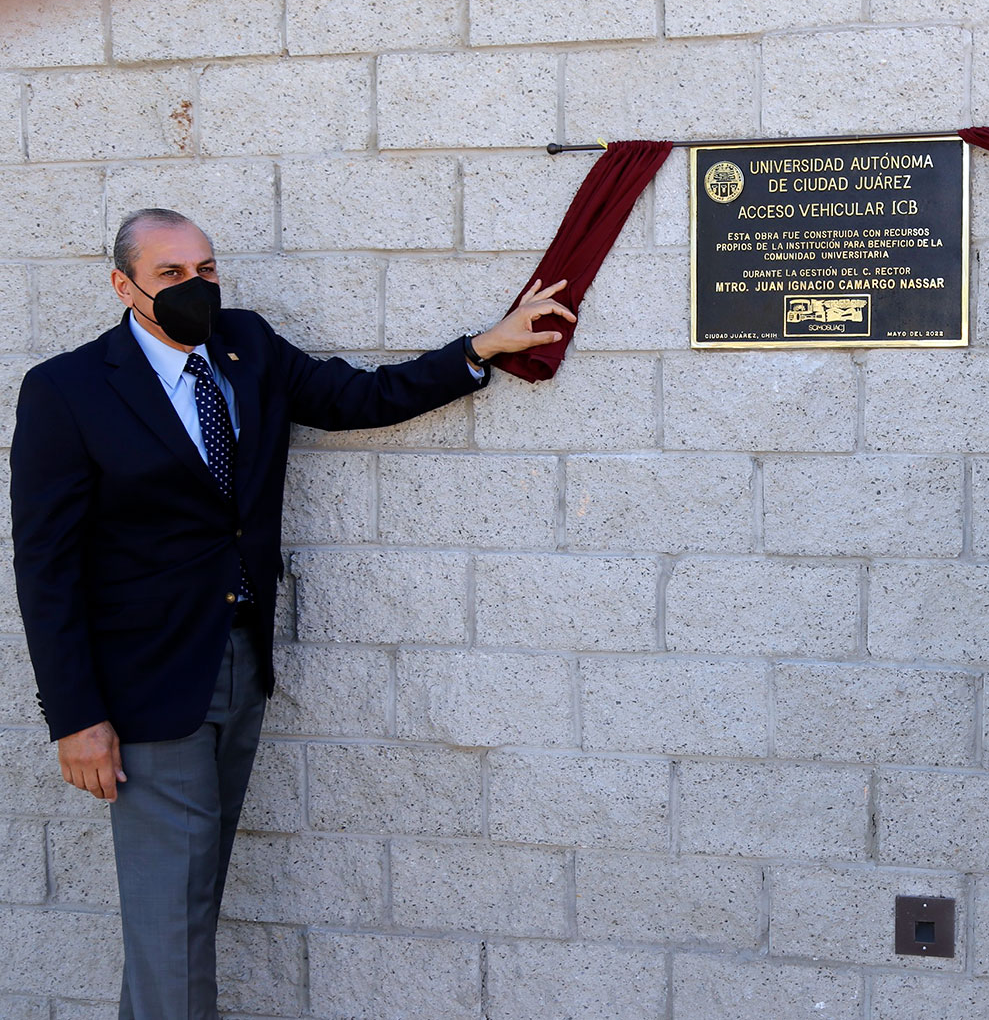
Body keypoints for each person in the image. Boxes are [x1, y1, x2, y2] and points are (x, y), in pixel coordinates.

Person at [10, 208, 571, 1020]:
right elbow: (45, 565)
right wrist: (75, 717)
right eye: (171, 275)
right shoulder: (66, 389)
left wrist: (481, 348)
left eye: (205, 269)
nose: (195, 286)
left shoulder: (249, 345)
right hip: (142, 689)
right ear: (124, 286)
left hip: (239, 665)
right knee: (172, 916)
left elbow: (357, 397)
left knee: (186, 903)